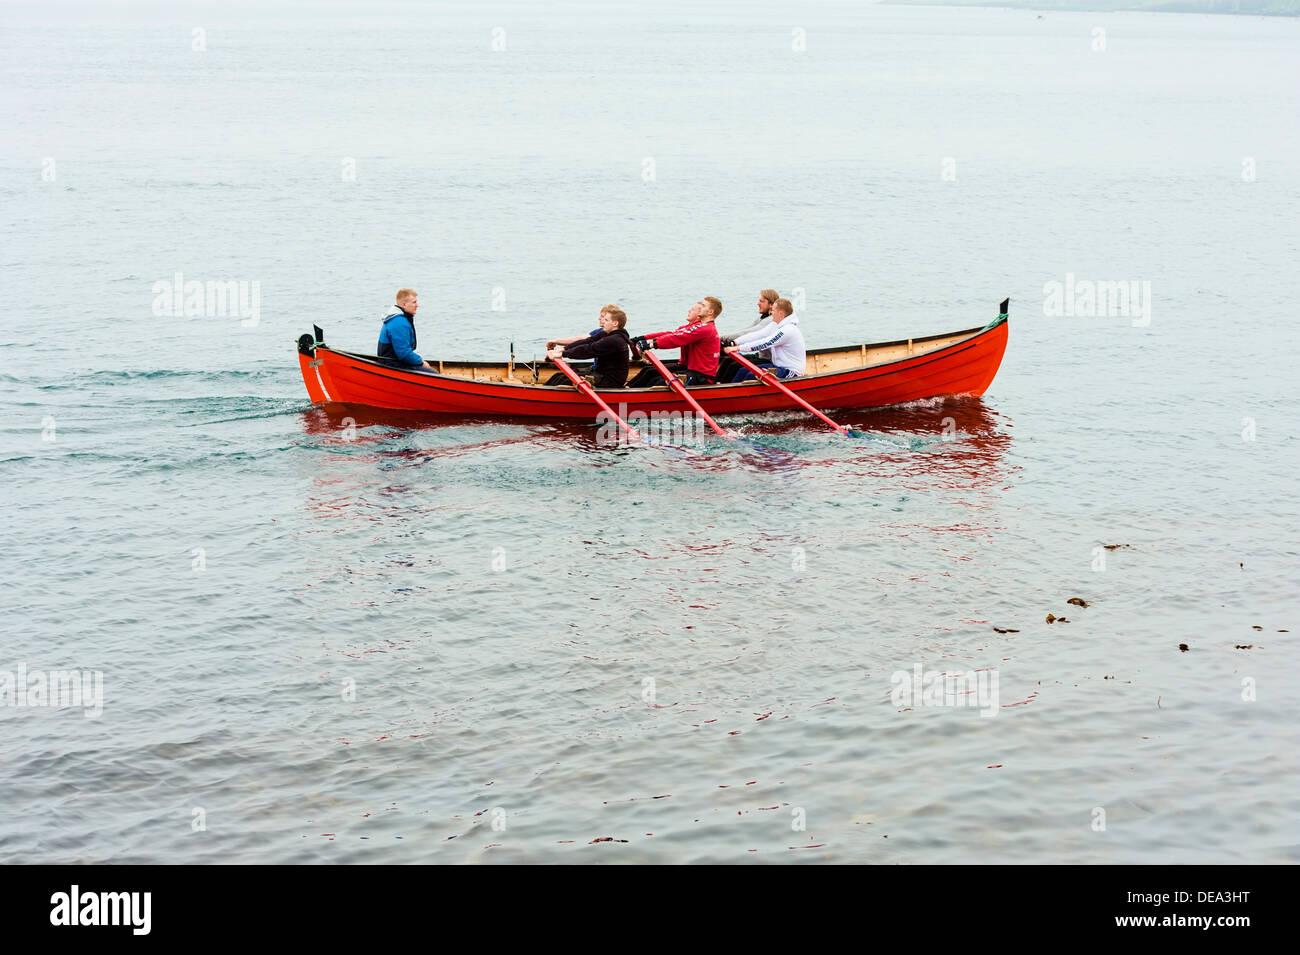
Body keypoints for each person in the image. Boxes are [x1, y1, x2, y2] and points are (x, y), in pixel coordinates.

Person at [626, 297, 723, 387]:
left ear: (710, 312)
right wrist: (645, 339)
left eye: (704, 306)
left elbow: (677, 339)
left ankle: (627, 399)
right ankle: (626, 391)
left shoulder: (705, 329)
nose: (701, 307)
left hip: (701, 377)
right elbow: (673, 335)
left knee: (657, 381)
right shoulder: (703, 327)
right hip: (692, 371)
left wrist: (652, 344)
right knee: (649, 371)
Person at [543, 306, 632, 388]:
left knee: (564, 381)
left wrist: (563, 354)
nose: (603, 321)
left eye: (606, 320)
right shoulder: (606, 334)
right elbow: (587, 341)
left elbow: (589, 350)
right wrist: (562, 350)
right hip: (600, 373)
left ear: (615, 323)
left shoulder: (615, 340)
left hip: (610, 380)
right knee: (559, 376)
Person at [727, 298, 806, 382]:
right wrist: (735, 342)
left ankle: (736, 394)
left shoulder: (788, 330)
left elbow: (765, 343)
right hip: (777, 366)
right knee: (743, 371)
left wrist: (739, 348)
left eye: (773, 310)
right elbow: (758, 335)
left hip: (790, 371)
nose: (771, 313)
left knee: (750, 375)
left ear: (781, 314)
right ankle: (726, 393)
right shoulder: (775, 325)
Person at [717, 288, 780, 382]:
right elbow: (745, 330)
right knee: (727, 361)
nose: (758, 303)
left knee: (735, 366)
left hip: (769, 360)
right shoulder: (762, 318)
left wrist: (723, 339)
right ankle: (715, 385)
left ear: (771, 305)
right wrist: (725, 339)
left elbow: (750, 333)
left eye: (761, 301)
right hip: (760, 355)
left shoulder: (770, 320)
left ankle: (722, 390)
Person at [377, 288, 432, 370]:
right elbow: (404, 353)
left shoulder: (399, 317)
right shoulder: (399, 322)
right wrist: (421, 361)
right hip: (392, 365)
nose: (417, 305)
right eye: (414, 302)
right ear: (404, 305)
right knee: (434, 375)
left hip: (395, 361)